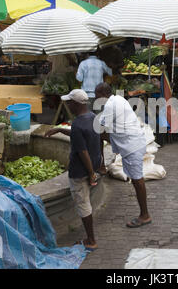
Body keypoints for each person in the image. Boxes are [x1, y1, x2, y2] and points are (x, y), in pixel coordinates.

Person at [44, 89, 101, 251]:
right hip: (94, 165)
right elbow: (87, 138)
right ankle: (90, 237)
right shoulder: (92, 117)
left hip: (80, 172)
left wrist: (90, 174)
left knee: (83, 205)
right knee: (86, 203)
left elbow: (82, 152)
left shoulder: (77, 124)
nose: (67, 104)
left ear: (76, 104)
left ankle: (91, 240)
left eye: (69, 102)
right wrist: (60, 130)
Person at [95, 83, 152, 228]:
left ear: (101, 94)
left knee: (138, 181)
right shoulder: (118, 99)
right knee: (136, 180)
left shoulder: (109, 105)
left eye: (96, 96)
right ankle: (101, 165)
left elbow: (102, 128)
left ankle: (144, 215)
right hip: (134, 142)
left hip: (132, 146)